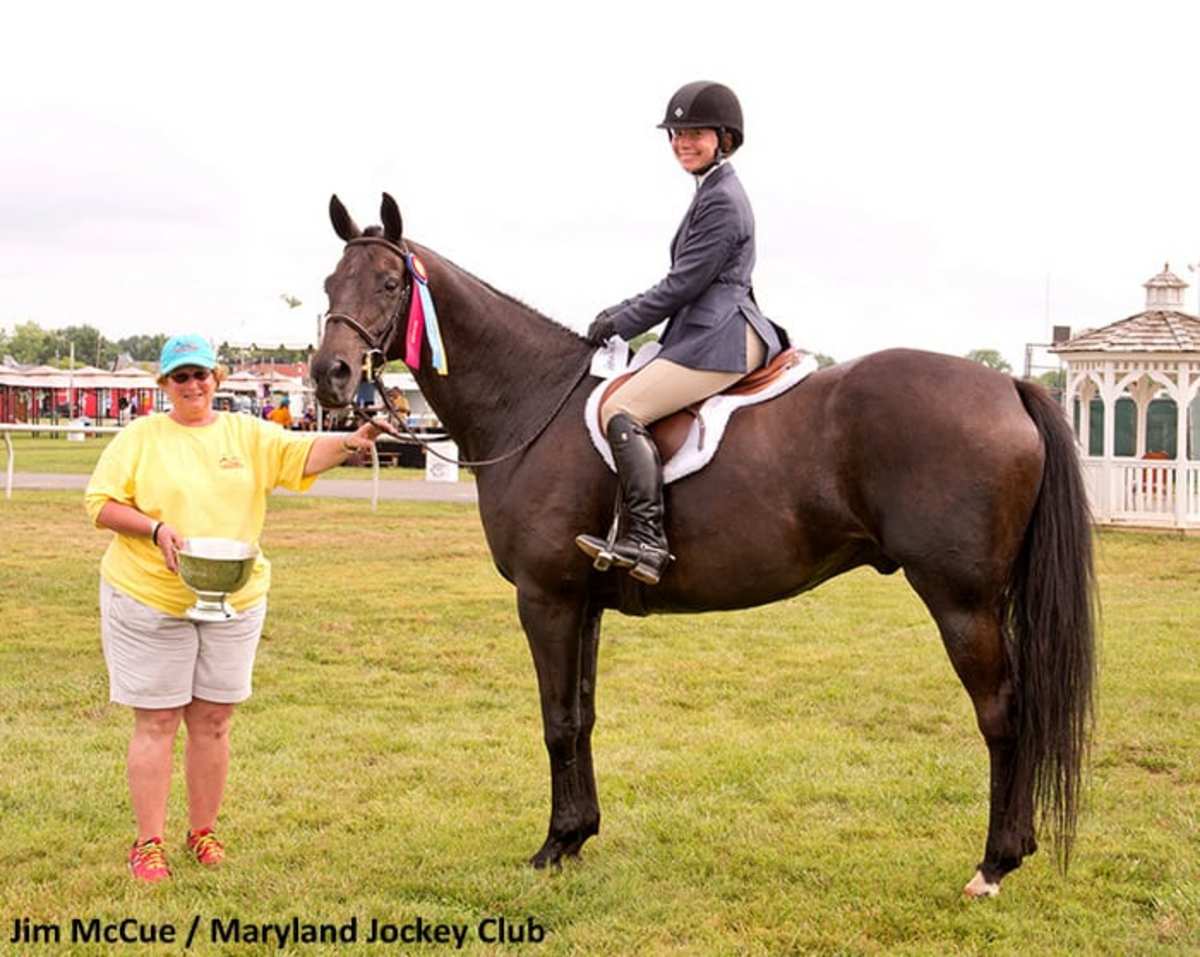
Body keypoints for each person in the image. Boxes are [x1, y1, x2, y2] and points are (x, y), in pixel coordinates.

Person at [84, 334, 383, 883]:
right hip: (151, 597)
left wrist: (350, 443)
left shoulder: (247, 433)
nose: (193, 386)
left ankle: (203, 831)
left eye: (201, 375)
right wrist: (154, 530)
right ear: (165, 386)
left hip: (235, 598)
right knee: (157, 721)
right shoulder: (141, 437)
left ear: (217, 380)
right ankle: (148, 844)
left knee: (215, 721)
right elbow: (99, 504)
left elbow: (301, 456)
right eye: (181, 377)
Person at [576, 81, 788, 585]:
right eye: (675, 134)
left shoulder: (722, 201)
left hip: (721, 333)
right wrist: (619, 311)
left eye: (693, 133)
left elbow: (684, 283)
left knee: (620, 409)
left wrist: (620, 321)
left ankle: (648, 540)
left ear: (724, 137)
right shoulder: (712, 191)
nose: (681, 143)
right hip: (710, 325)